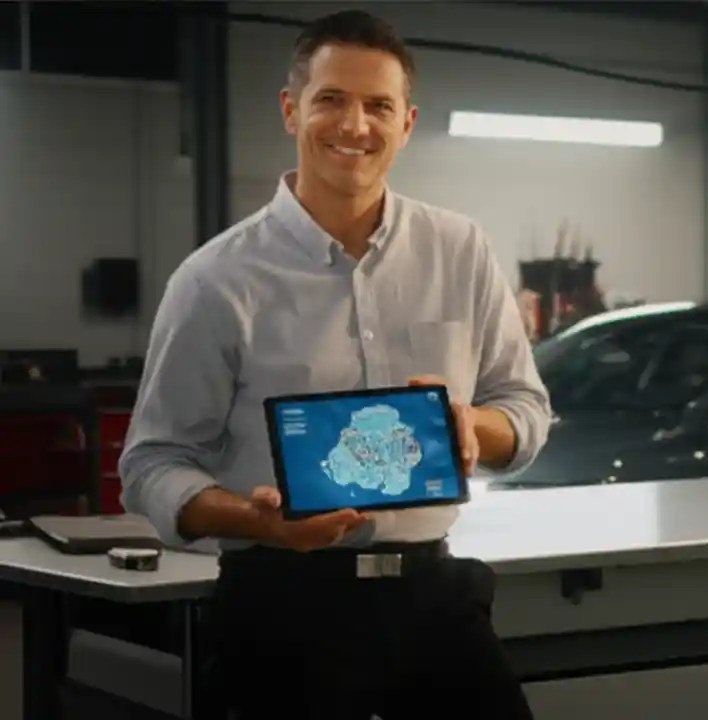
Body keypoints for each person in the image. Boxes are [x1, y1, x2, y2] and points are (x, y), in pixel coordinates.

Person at [118, 9, 551, 719]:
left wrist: (472, 423)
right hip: (284, 607)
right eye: (331, 100)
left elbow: (526, 410)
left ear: (407, 123)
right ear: (292, 110)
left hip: (433, 597)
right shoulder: (215, 281)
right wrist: (258, 521)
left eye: (379, 105)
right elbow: (152, 464)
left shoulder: (460, 250)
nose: (356, 126)